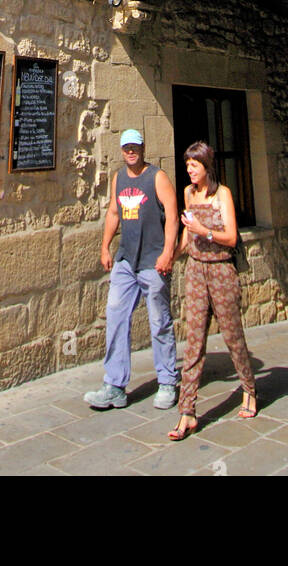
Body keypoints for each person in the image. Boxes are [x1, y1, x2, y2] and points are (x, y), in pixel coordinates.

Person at [84, 128, 180, 410]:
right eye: (126, 147)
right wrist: (105, 247)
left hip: (153, 260)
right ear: (122, 149)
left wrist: (167, 254)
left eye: (135, 147)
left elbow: (173, 216)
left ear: (142, 148)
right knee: (115, 316)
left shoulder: (157, 177)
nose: (130, 151)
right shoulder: (119, 178)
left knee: (159, 321)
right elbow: (114, 212)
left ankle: (166, 381)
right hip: (126, 260)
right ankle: (114, 385)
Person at [169, 140, 256, 439]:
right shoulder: (188, 193)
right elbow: (186, 234)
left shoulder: (223, 194)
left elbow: (231, 237)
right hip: (195, 269)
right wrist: (172, 255)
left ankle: (249, 389)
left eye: (194, 165)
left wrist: (203, 231)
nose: (190, 171)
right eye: (187, 166)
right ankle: (187, 411)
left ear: (207, 166)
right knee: (193, 341)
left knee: (232, 335)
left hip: (221, 270)